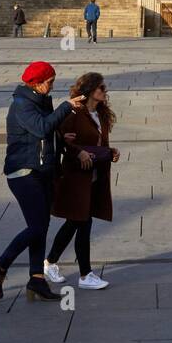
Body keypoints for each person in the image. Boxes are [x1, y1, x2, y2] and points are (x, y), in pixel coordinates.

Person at [0, 62, 85, 302]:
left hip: (42, 171)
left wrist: (60, 137)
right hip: (24, 173)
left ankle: (36, 280)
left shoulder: (39, 101)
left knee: (40, 227)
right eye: (50, 81)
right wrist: (66, 107)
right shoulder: (22, 105)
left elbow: (45, 134)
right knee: (37, 227)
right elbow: (40, 128)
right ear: (37, 83)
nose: (52, 85)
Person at [46, 72, 118, 290]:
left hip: (94, 177)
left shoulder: (101, 114)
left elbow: (98, 142)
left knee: (75, 222)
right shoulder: (74, 112)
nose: (104, 92)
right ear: (90, 91)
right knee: (82, 222)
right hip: (76, 177)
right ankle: (85, 275)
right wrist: (77, 152)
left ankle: (50, 262)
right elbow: (59, 138)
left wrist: (110, 151)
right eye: (101, 88)